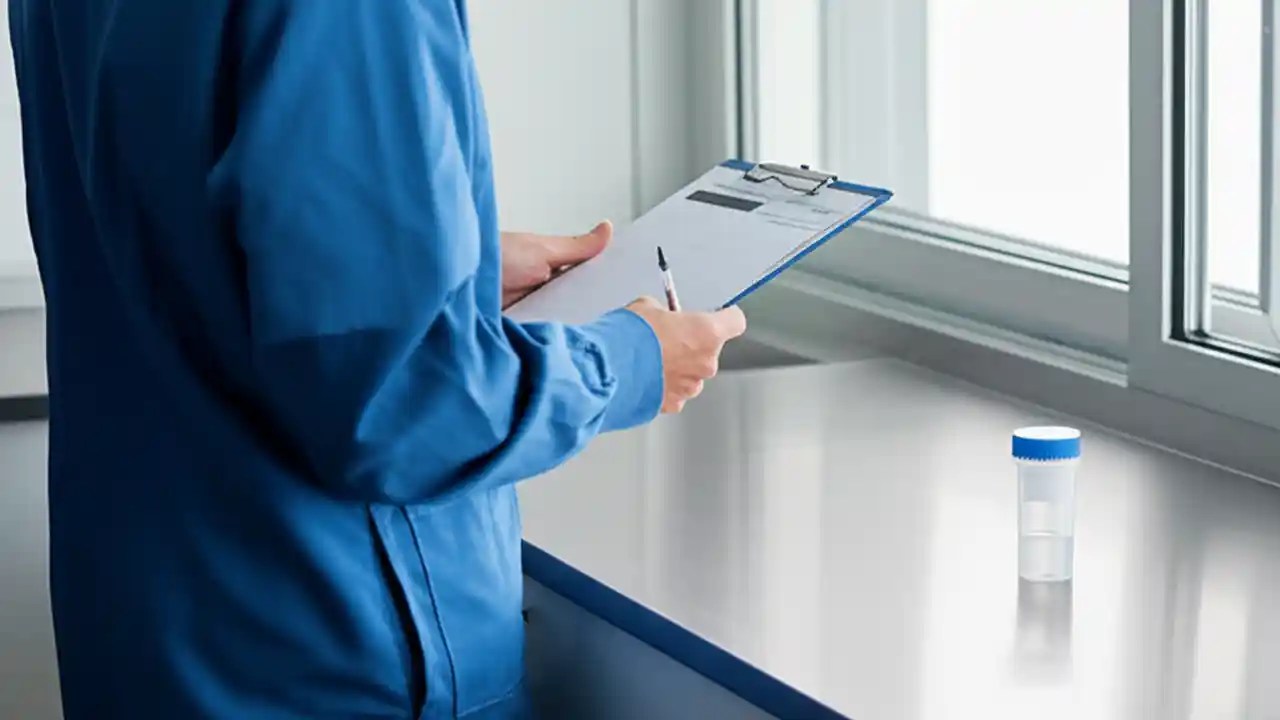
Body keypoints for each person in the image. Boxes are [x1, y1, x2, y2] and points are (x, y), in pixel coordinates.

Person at [9, 1, 746, 717]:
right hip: (321, 652)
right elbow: (402, 411)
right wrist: (630, 362)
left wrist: (445, 279)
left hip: (153, 637)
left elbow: (166, 250)